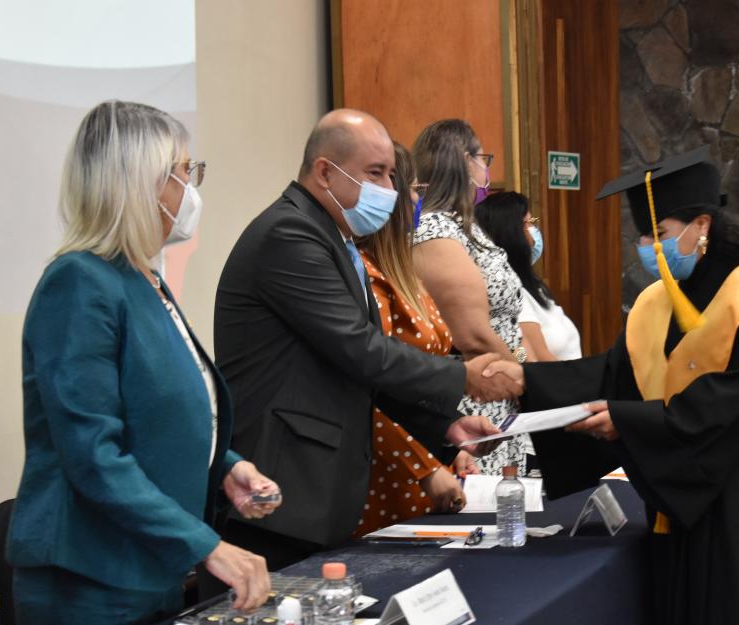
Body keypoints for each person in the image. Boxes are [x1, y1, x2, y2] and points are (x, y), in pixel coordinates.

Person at [484, 147, 739, 625]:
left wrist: (628, 421)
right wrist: (526, 379)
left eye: (660, 234)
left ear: (702, 226)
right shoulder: (659, 303)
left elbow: (731, 406)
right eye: (642, 235)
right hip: (707, 494)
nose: (648, 247)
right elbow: (615, 376)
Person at [7, 101, 278, 624]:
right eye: (184, 172)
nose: (191, 189)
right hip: (90, 579)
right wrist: (206, 545)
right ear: (142, 184)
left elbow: (157, 412)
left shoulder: (141, 278)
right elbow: (93, 453)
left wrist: (225, 466)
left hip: (147, 566)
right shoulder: (79, 282)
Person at [214, 109, 515, 570]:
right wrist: (462, 377)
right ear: (324, 172)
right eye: (375, 173)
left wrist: (444, 426)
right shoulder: (290, 233)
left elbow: (355, 369)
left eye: (392, 175)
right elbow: (359, 349)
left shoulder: (334, 238)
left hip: (315, 493)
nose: (389, 189)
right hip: (276, 492)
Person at [353, 142, 473, 536]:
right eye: (415, 189)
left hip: (428, 458)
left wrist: (449, 440)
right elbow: (369, 394)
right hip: (388, 469)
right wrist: (422, 465)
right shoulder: (366, 275)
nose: (419, 200)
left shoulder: (404, 273)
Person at [411, 119, 529, 475]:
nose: (486, 169)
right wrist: (526, 380)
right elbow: (472, 335)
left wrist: (522, 373)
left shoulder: (465, 225)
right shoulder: (433, 229)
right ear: (465, 162)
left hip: (500, 395)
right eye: (483, 158)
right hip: (474, 399)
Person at [476, 191, 582, 361]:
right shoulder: (507, 293)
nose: (533, 232)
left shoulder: (533, 285)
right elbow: (533, 357)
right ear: (510, 235)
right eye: (526, 224)